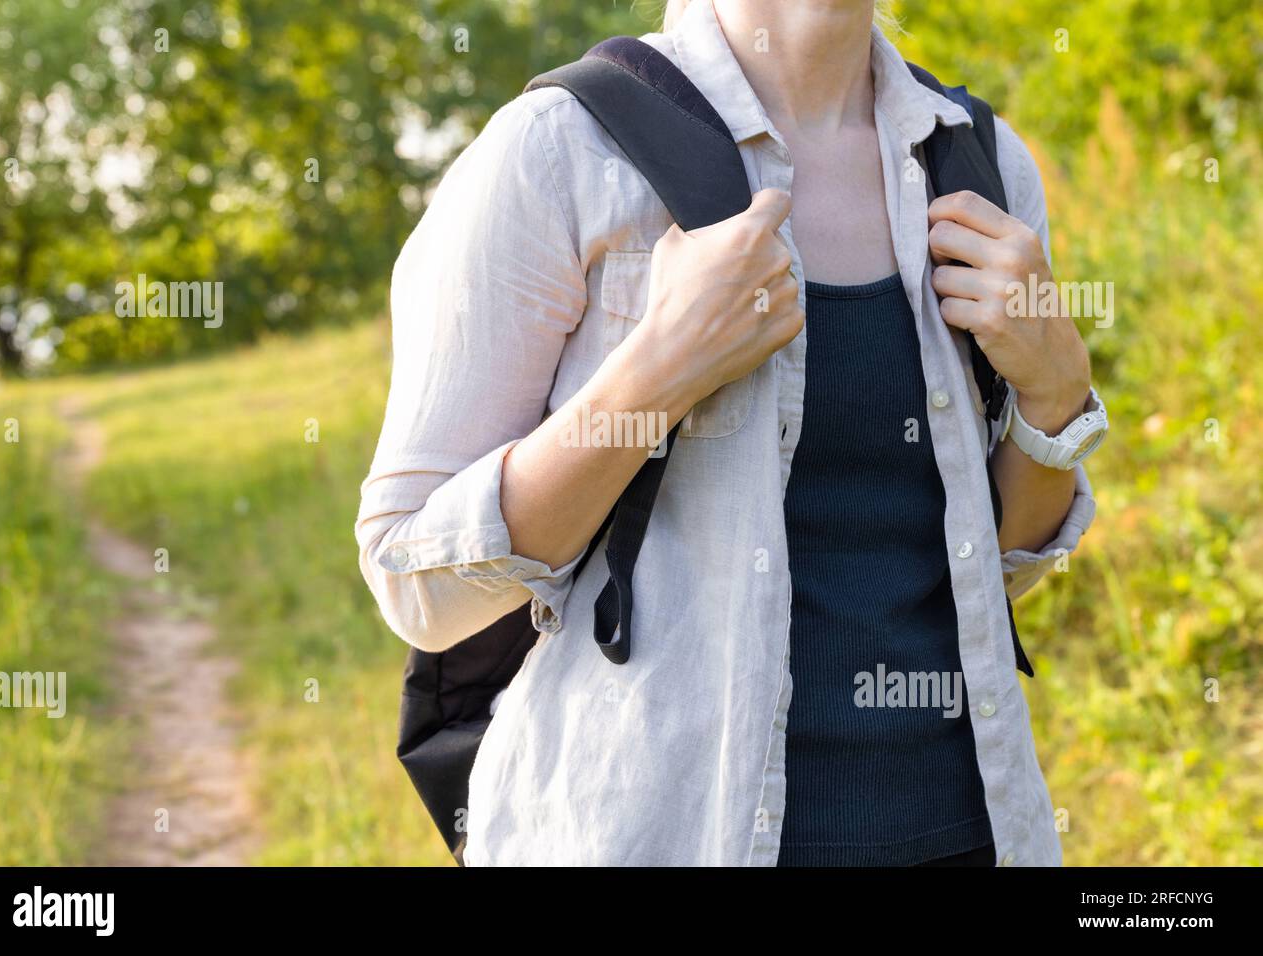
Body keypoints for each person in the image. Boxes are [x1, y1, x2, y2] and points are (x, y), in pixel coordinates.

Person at [356, 0, 1103, 866]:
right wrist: (659, 372)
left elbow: (989, 570)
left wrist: (1057, 392)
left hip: (973, 836)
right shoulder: (558, 151)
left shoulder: (977, 159)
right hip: (659, 837)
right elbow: (417, 581)